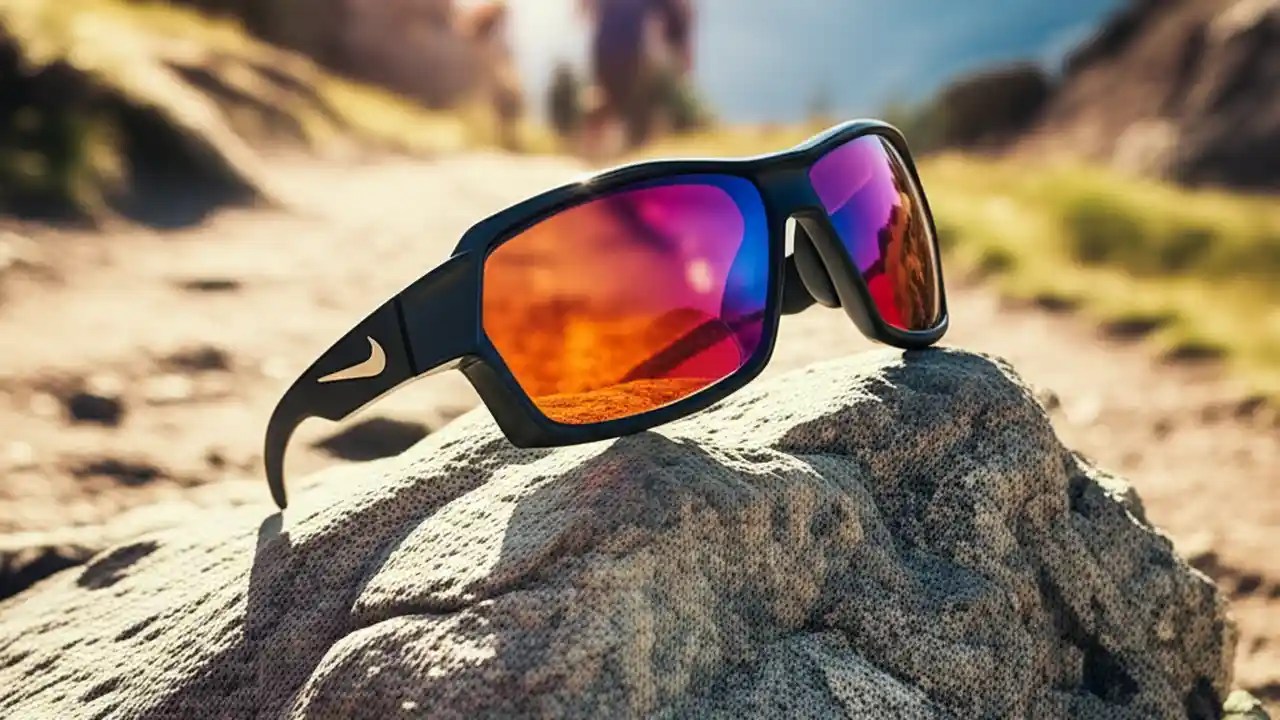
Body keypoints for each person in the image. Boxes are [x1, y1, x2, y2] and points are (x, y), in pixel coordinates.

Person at [579, 0, 694, 158]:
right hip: (624, 52)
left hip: (625, 52)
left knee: (627, 108)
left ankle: (623, 157)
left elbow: (677, 15)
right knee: (620, 104)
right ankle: (599, 157)